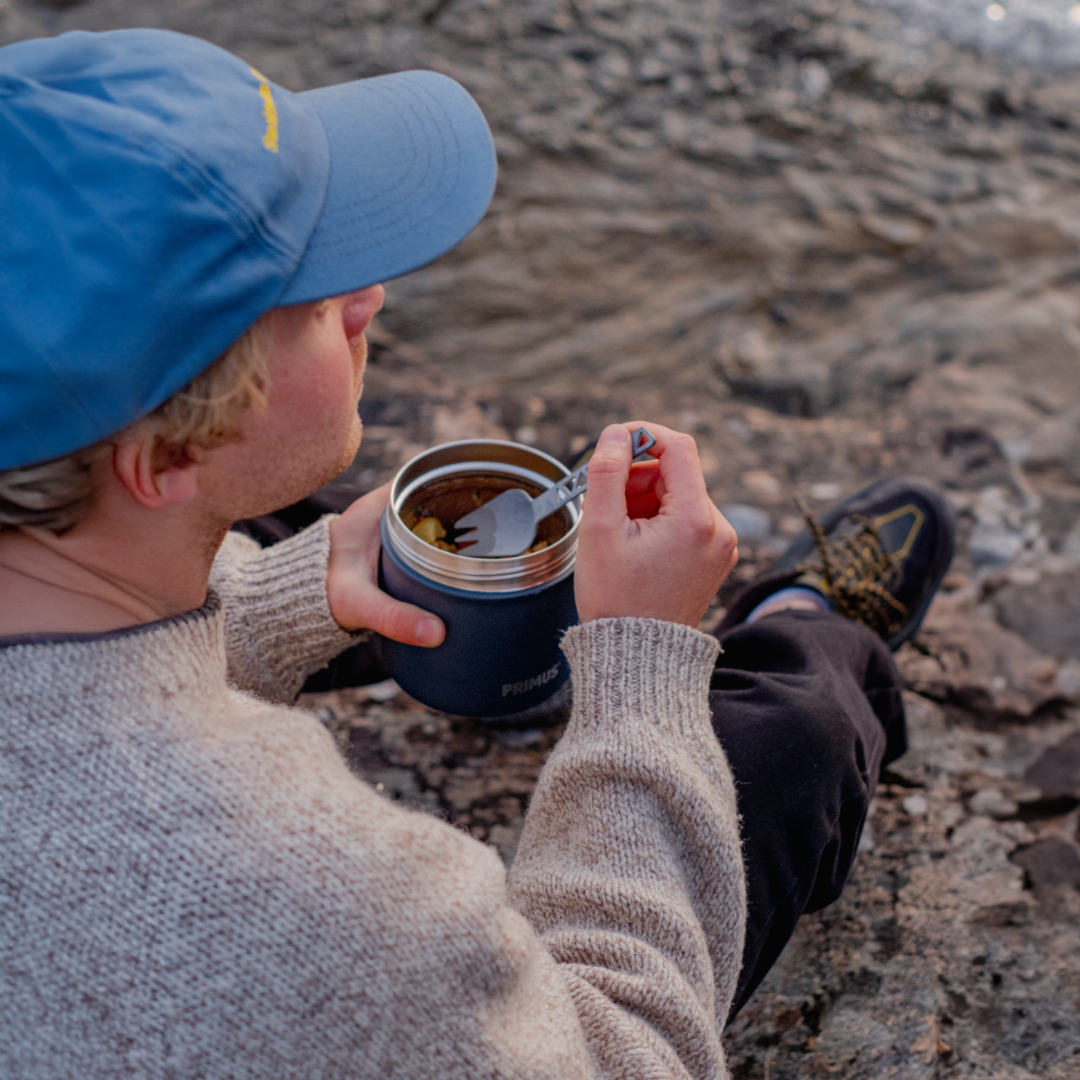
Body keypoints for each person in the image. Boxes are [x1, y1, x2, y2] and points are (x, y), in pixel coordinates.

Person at [0, 27, 954, 1079]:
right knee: (789, 738)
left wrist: (278, 601)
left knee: (306, 521)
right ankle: (808, 622)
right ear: (164, 452)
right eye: (313, 298)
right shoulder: (330, 898)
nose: (370, 297)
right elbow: (626, 1054)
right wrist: (640, 662)